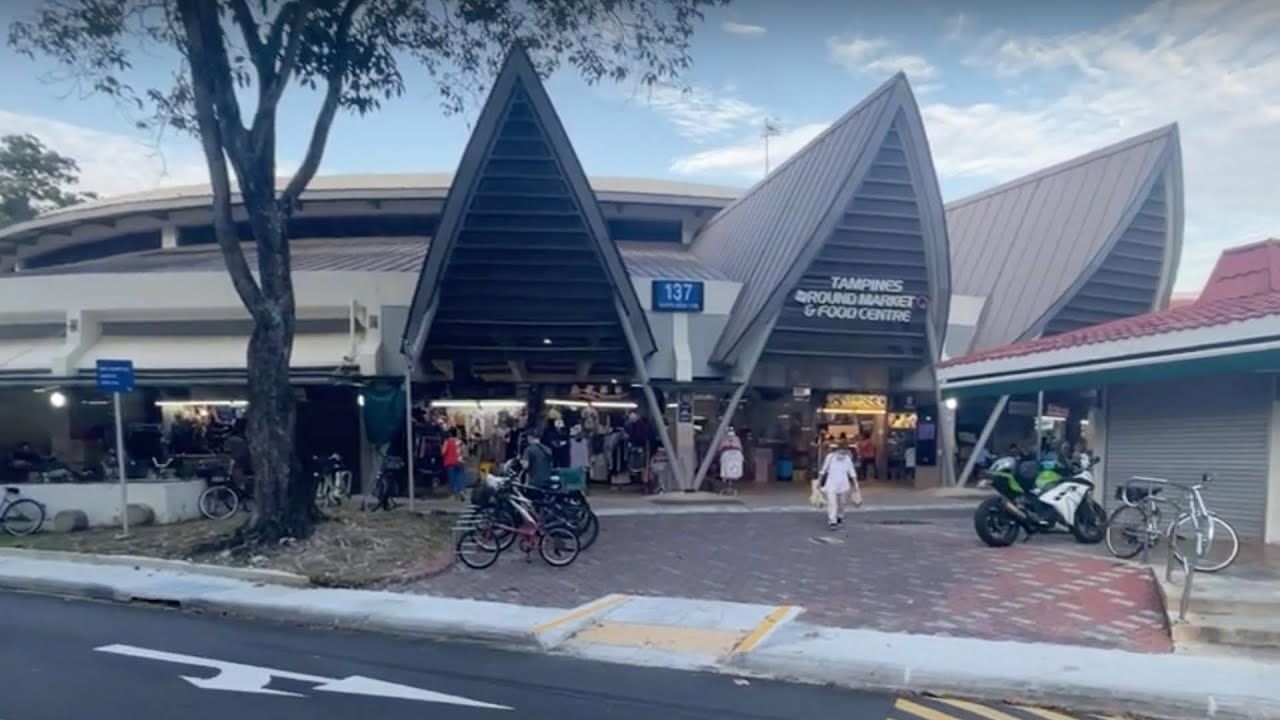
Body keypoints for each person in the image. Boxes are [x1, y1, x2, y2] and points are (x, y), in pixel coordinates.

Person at [818, 440, 861, 530]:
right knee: (832, 503)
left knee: (842, 503)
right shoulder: (830, 457)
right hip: (831, 484)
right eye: (841, 450)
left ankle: (840, 516)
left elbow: (852, 473)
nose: (842, 453)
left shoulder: (847, 459)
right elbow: (824, 470)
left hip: (844, 485)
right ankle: (832, 521)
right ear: (837, 449)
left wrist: (856, 485)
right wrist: (819, 481)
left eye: (844, 451)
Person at [441, 428, 466, 501]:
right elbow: (464, 452)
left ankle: (454, 494)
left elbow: (443, 452)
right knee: (460, 478)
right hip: (460, 462)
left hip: (450, 462)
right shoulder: (460, 442)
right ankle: (461, 491)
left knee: (452, 479)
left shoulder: (447, 441)